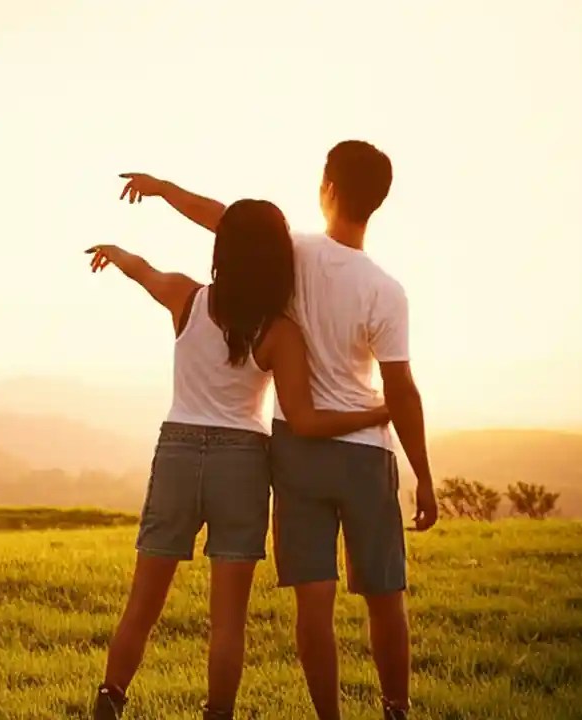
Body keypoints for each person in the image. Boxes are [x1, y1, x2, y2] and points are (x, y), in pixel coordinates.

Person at [117, 140, 438, 720]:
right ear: (379, 201)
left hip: (297, 449)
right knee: (385, 597)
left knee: (314, 603)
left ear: (328, 190)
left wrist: (164, 190)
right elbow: (402, 392)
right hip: (365, 455)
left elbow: (224, 221)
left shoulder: (293, 254)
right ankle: (396, 709)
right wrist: (426, 477)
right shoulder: (387, 290)